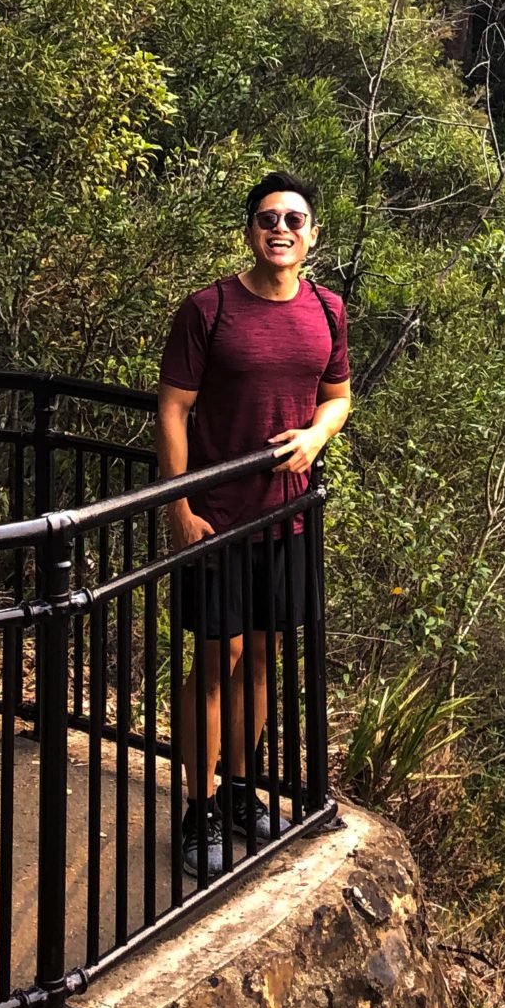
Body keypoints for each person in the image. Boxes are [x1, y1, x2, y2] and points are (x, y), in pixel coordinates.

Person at [157, 172, 352, 880]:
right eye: (268, 218)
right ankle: (198, 805)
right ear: (250, 230)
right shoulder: (209, 308)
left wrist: (317, 436)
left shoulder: (327, 311)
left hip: (287, 518)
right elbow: (174, 408)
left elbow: (338, 395)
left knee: (264, 657)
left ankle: (240, 791)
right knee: (218, 662)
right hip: (216, 519)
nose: (281, 229)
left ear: (311, 236)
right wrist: (179, 506)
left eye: (295, 220)